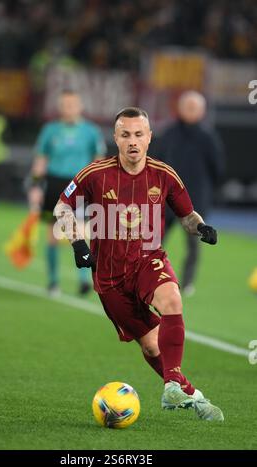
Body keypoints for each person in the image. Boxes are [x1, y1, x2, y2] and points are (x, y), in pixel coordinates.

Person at [54, 107, 224, 421]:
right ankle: (190, 393)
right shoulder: (95, 173)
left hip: (148, 258)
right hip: (109, 276)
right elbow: (61, 208)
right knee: (151, 346)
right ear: (115, 138)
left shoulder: (164, 174)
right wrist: (78, 243)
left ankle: (172, 383)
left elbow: (187, 216)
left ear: (149, 138)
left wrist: (201, 228)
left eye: (139, 134)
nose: (133, 141)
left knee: (173, 298)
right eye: (125, 135)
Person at [28, 90, 106, 295]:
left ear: (80, 106)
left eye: (72, 104)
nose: (68, 108)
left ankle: (84, 279)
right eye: (64, 104)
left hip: (79, 185)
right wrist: (36, 186)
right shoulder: (50, 130)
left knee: (80, 231)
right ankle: (53, 282)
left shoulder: (91, 131)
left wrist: (97, 188)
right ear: (59, 107)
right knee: (52, 233)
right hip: (54, 184)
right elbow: (41, 160)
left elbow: (98, 161)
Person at [151, 91, 225, 296]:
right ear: (180, 108)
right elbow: (156, 162)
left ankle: (188, 282)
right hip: (167, 198)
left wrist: (206, 191)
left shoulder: (208, 137)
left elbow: (217, 168)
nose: (191, 111)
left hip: (195, 200)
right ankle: (151, 275)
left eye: (195, 107)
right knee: (156, 240)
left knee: (194, 242)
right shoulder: (169, 133)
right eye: (188, 106)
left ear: (202, 111)